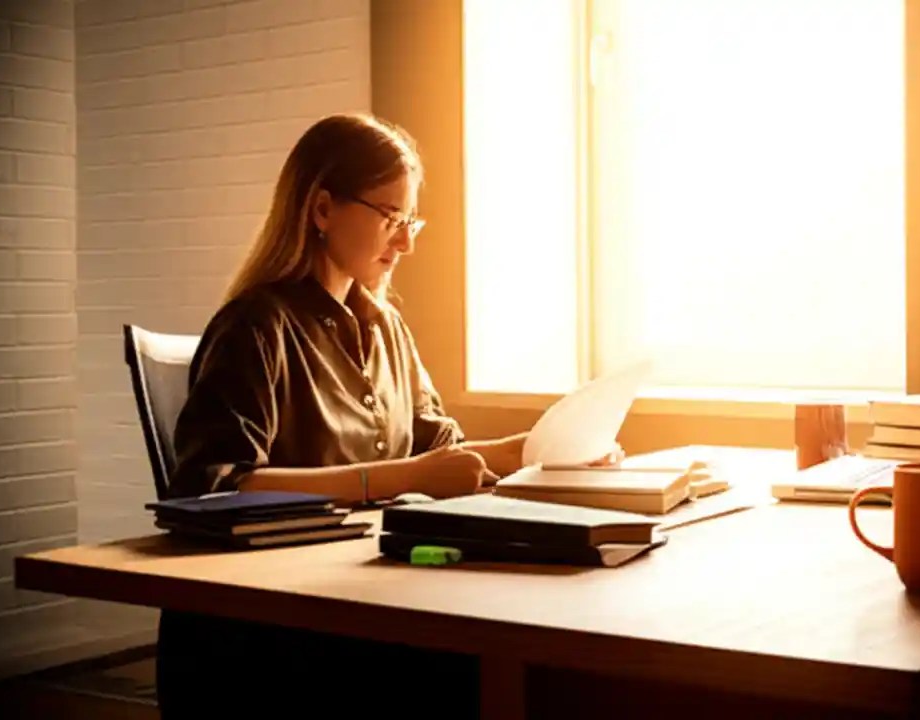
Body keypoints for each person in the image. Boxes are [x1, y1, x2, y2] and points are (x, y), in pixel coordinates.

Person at [156, 113, 615, 717]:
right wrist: (404, 478)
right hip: (272, 626)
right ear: (322, 208)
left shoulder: (386, 327)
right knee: (489, 667)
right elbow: (216, 489)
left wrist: (537, 452)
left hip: (364, 596)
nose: (407, 242)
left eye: (411, 220)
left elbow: (441, 452)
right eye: (392, 218)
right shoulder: (255, 327)